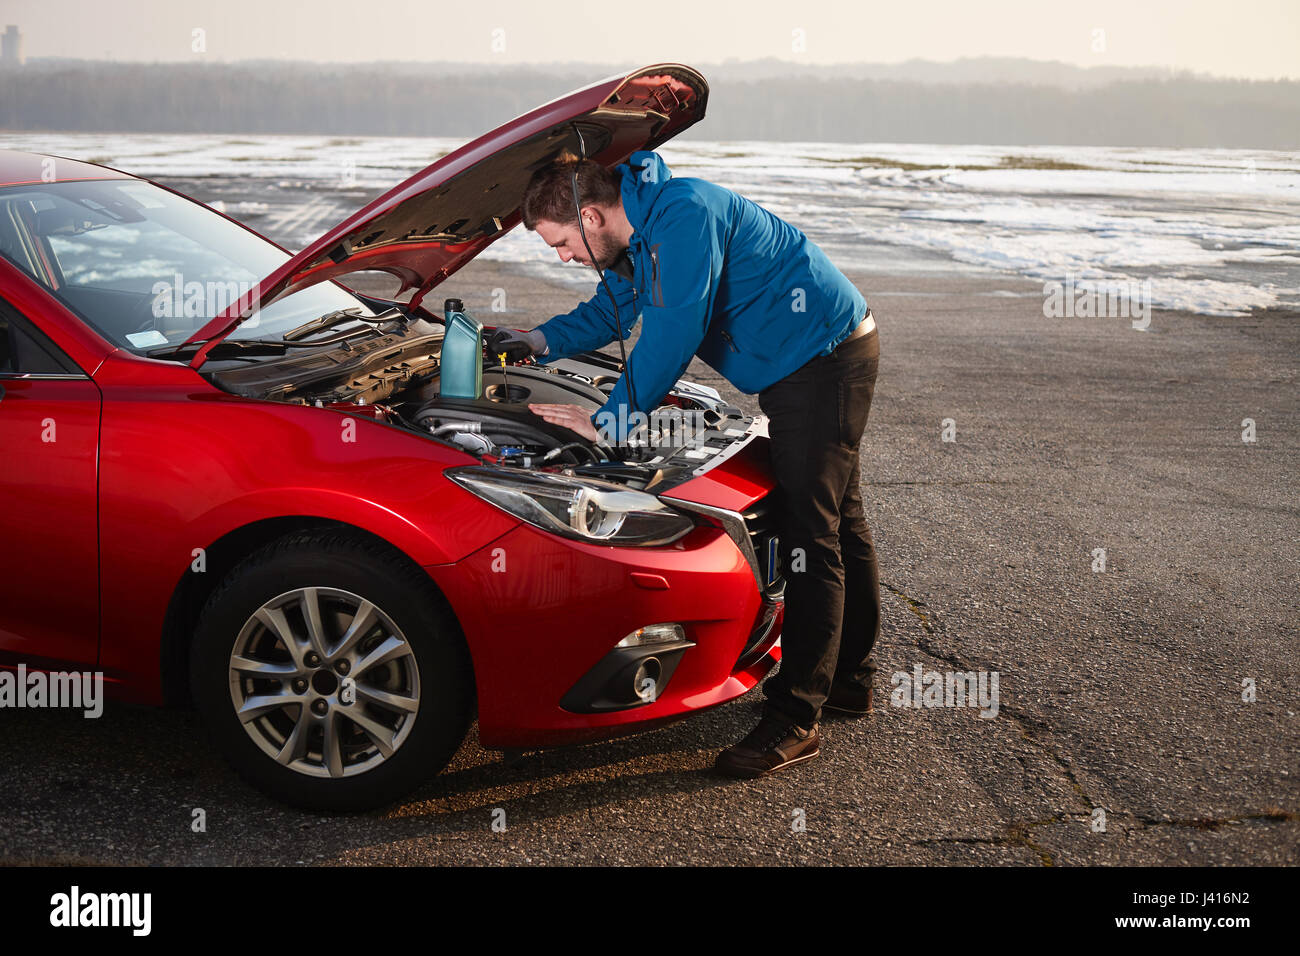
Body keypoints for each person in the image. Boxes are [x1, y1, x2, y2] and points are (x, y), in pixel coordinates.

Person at [488, 149, 881, 778]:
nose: (561, 257)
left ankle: (795, 718)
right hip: (799, 361)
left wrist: (608, 422)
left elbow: (671, 332)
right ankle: (849, 679)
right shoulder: (637, 235)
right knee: (838, 518)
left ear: (591, 217)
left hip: (821, 359)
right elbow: (613, 311)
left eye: (560, 243)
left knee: (810, 530)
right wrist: (537, 341)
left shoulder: (683, 216)